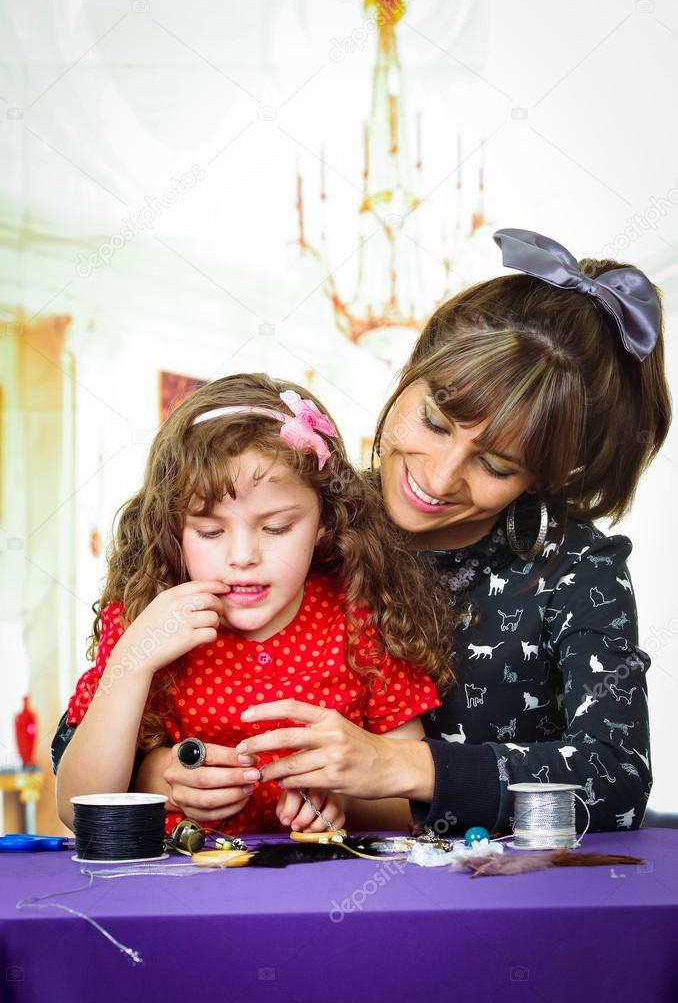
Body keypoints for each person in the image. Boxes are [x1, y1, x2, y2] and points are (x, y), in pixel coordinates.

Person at [167, 227, 668, 837]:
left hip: (505, 901)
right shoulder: (298, 516)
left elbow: (616, 780)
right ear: (410, 369)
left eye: (496, 465)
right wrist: (172, 775)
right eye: (434, 421)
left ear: (542, 477)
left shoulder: (573, 564)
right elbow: (80, 754)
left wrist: (396, 765)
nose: (439, 476)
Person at [53, 374, 451, 836]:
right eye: (210, 532)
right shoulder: (145, 621)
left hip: (320, 887)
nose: (243, 557)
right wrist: (134, 662)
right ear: (174, 531)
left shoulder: (365, 615)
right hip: (180, 889)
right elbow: (75, 808)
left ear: (325, 522)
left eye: (277, 527)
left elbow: (409, 805)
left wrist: (340, 800)